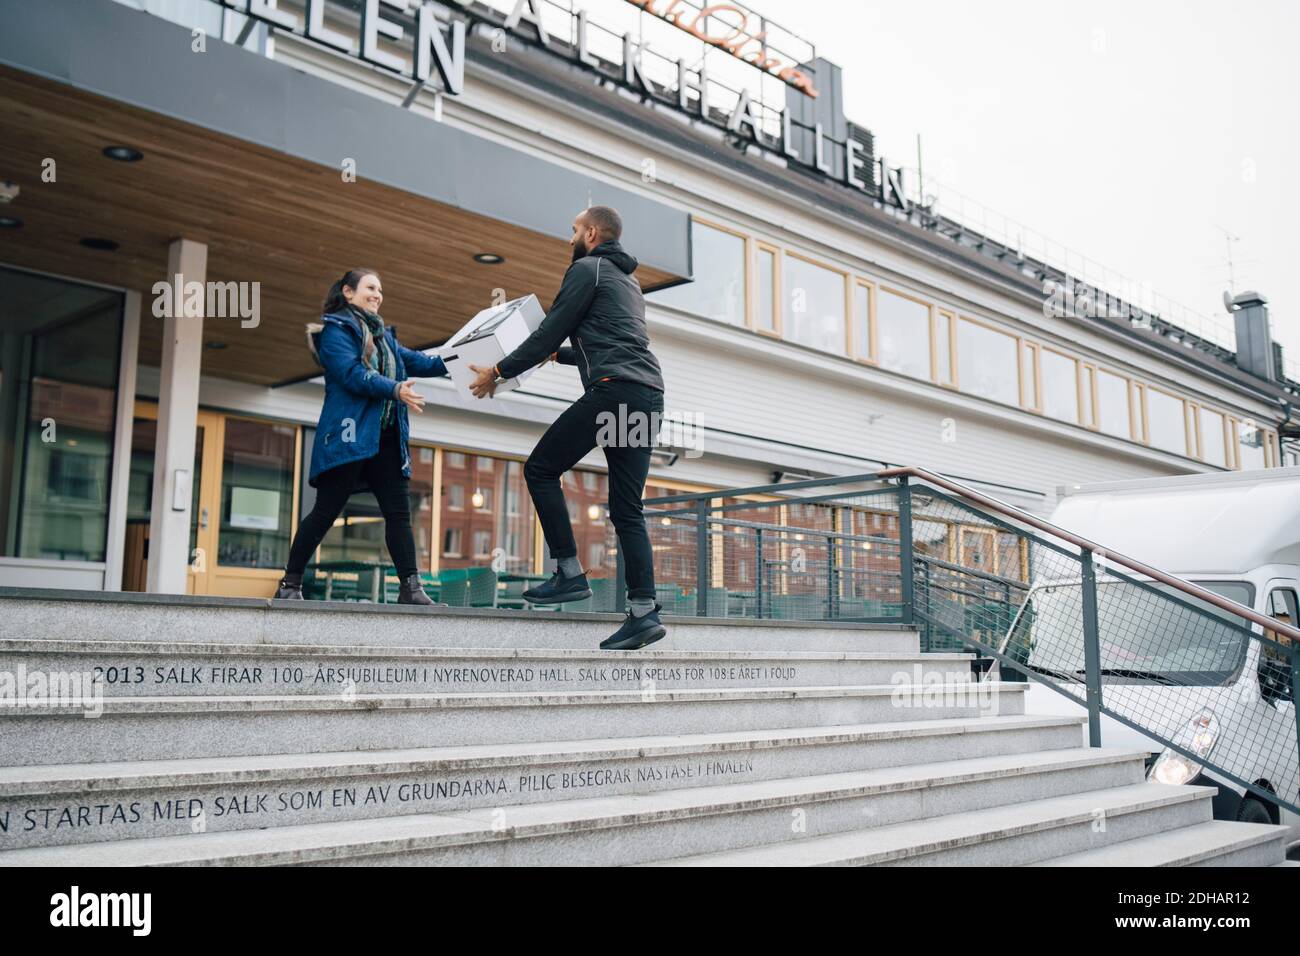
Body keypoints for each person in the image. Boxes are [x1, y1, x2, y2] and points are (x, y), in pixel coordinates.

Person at [469, 206, 667, 651]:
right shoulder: (627, 282)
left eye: (575, 230)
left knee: (540, 469)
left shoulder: (587, 268)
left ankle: (570, 573)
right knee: (627, 509)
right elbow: (606, 341)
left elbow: (550, 329)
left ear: (592, 233)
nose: (570, 237)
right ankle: (643, 612)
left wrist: (498, 371)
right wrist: (556, 356)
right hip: (646, 395)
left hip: (613, 392)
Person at [275, 268, 447, 605]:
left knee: (399, 513)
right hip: (349, 435)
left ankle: (411, 589)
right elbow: (354, 375)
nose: (378, 294)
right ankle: (290, 584)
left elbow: (423, 363)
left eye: (381, 289)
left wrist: (470, 359)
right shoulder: (334, 332)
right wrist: (396, 389)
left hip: (385, 439)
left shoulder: (384, 338)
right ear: (348, 292)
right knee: (326, 511)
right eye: (371, 287)